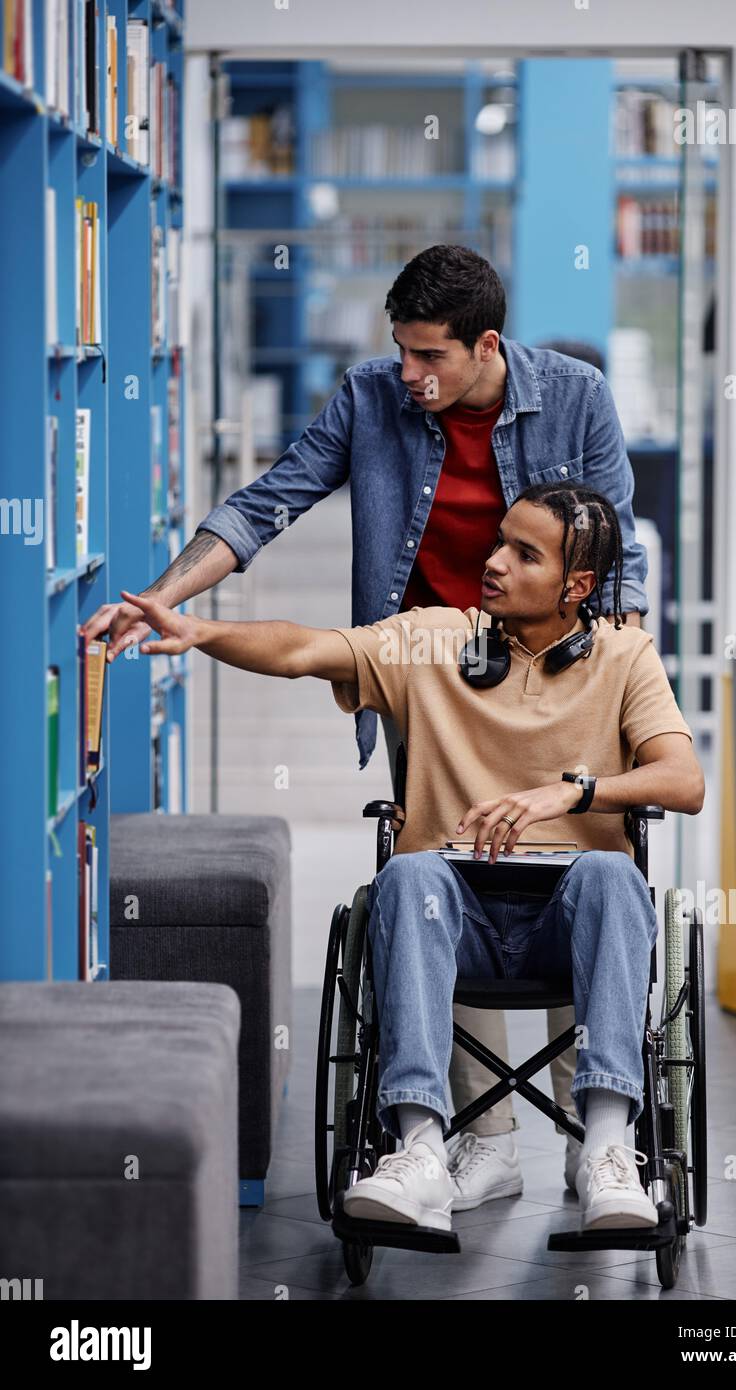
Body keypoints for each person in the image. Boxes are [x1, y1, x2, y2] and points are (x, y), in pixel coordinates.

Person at [81, 243, 651, 1209]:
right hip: (430, 669)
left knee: (576, 857)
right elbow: (267, 504)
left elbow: (616, 549)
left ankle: (591, 1135)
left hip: (558, 665)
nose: (410, 375)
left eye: (431, 356)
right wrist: (165, 601)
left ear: (487, 346)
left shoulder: (575, 395)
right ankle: (486, 1142)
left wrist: (613, 683)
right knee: (444, 861)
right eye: (401, 350)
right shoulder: (371, 398)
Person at [118, 482, 704, 1233]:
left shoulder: (626, 656)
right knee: (408, 871)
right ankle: (421, 1151)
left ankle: (609, 1151)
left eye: (525, 555)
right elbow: (302, 649)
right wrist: (198, 628)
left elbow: (684, 781)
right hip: (452, 921)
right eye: (500, 542)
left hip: (568, 923)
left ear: (578, 586)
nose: (494, 562)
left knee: (614, 873)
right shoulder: (433, 639)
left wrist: (573, 793)